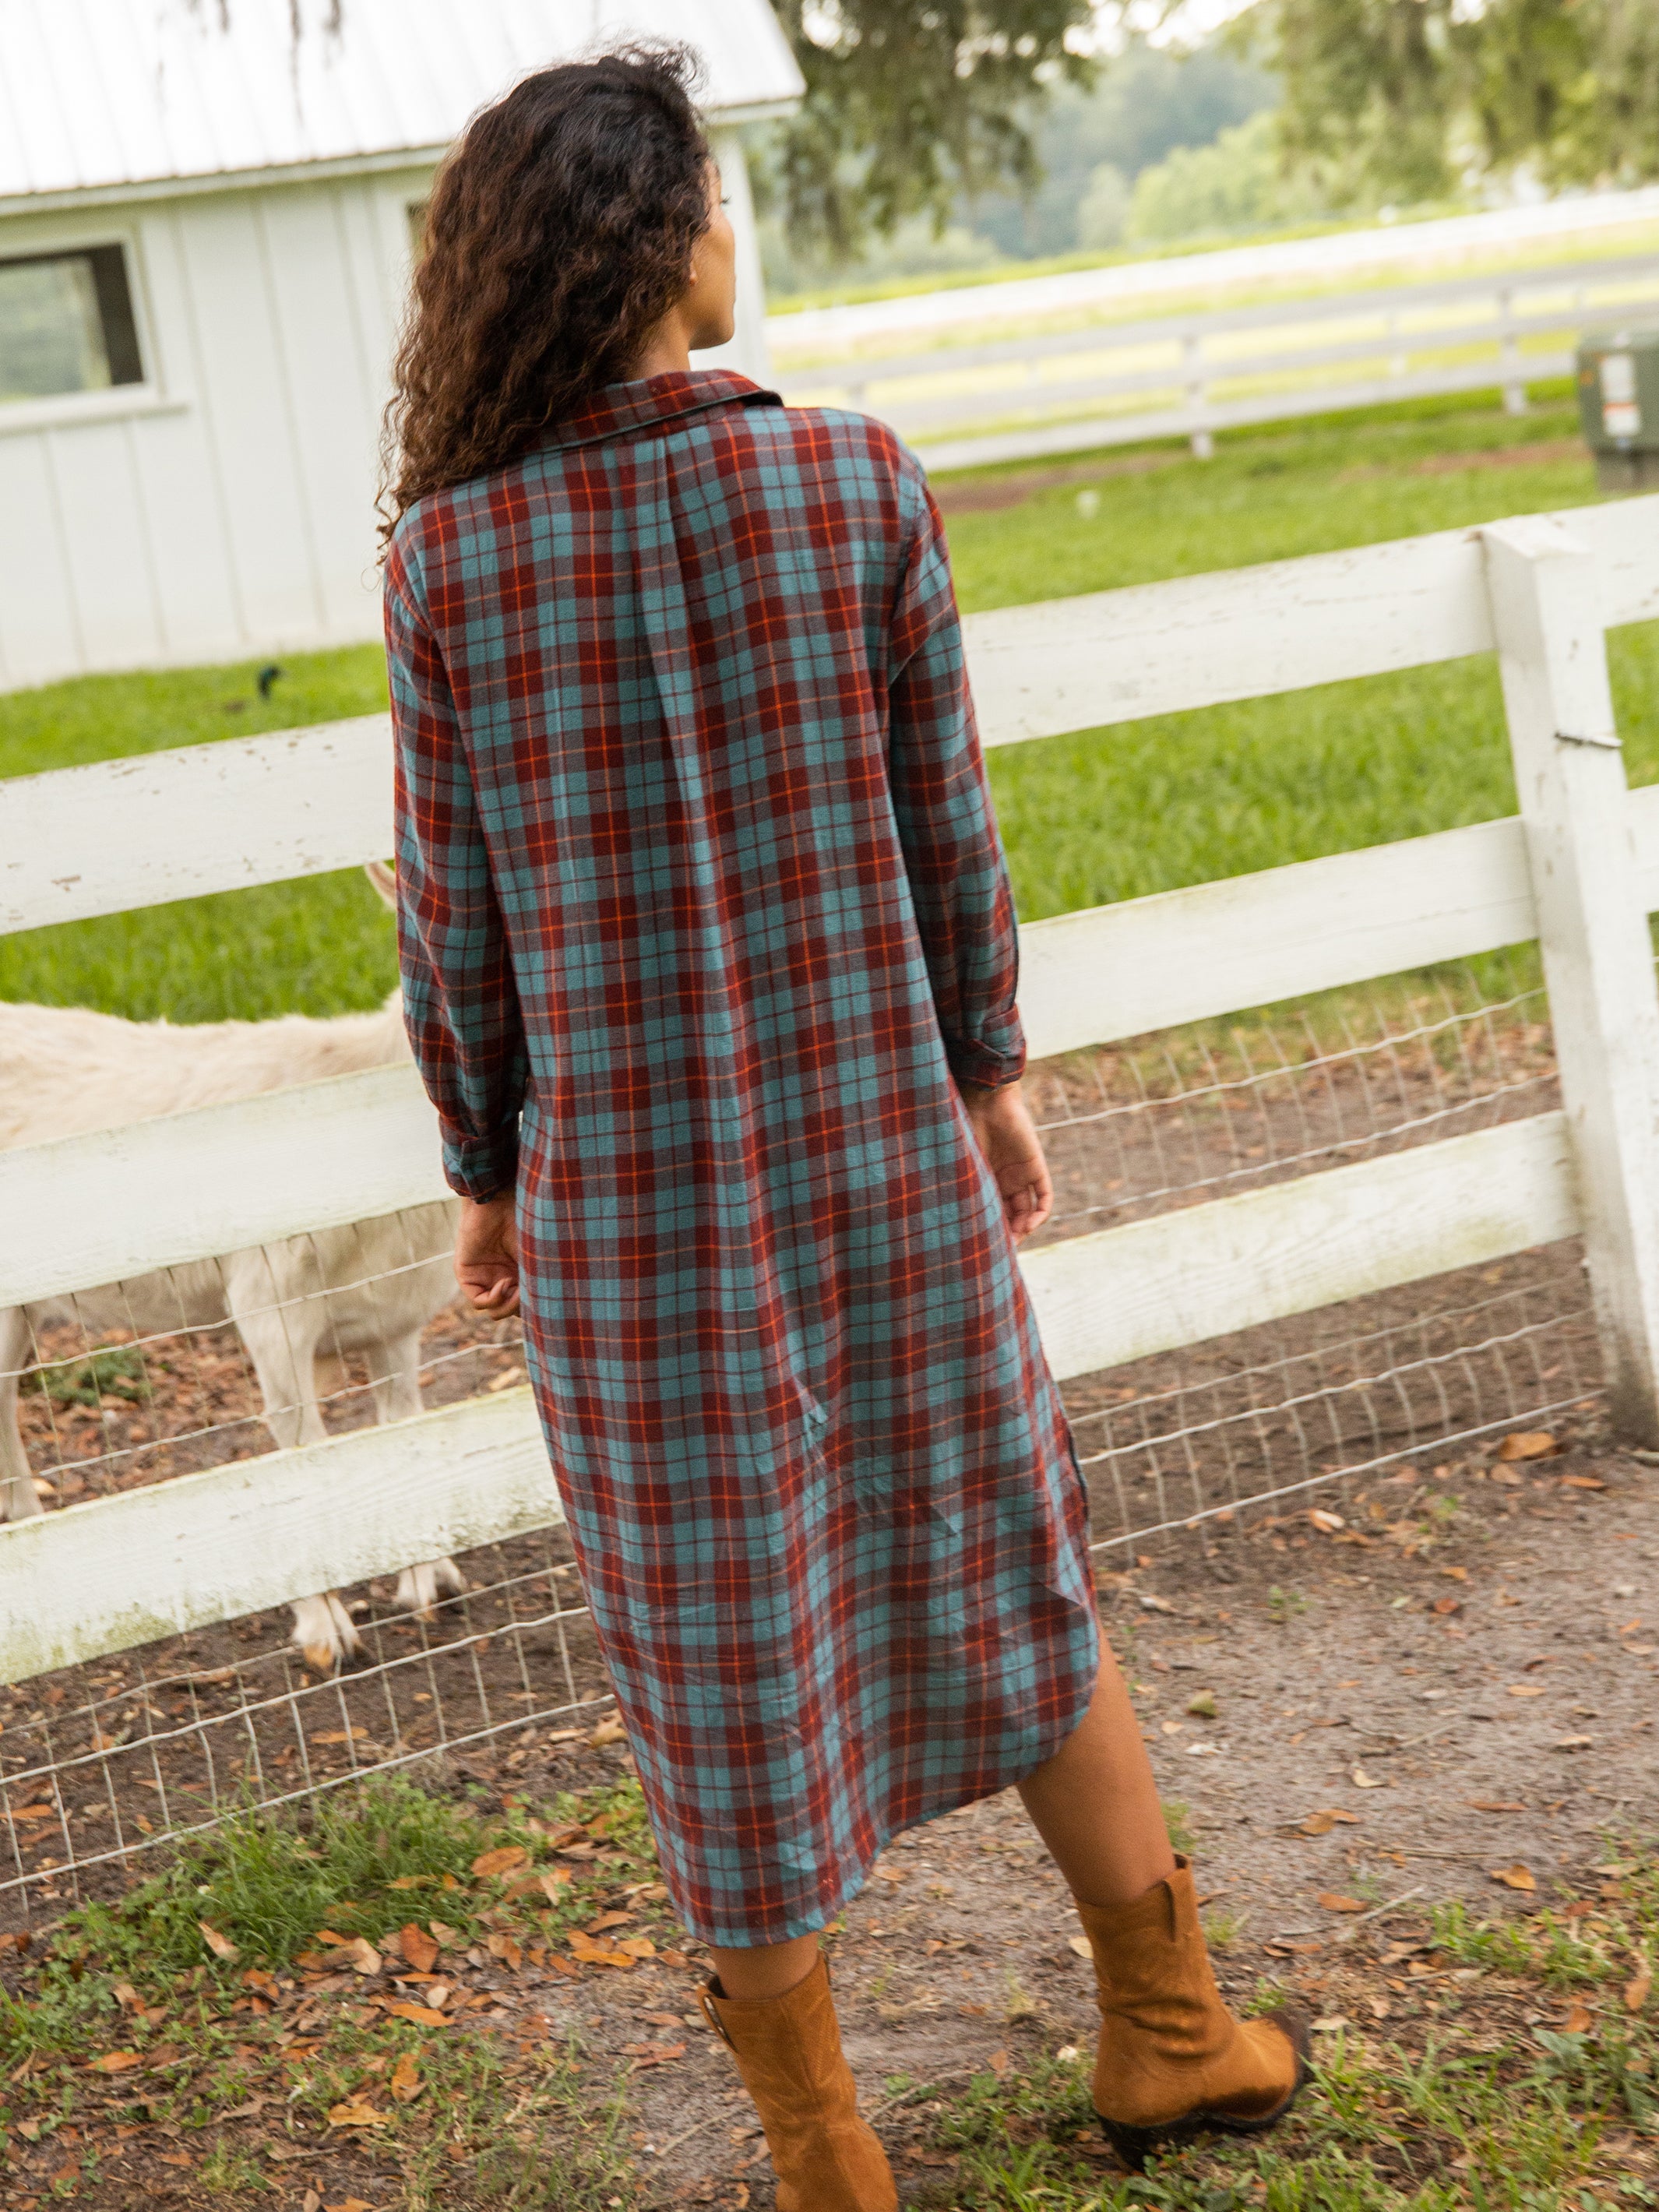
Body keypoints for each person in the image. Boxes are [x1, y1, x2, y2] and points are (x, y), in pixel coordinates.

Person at [382, 44, 1305, 2207]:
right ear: (656, 234)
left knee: (717, 1665)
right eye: (715, 196)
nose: (733, 232)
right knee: (1013, 1564)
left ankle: (825, 2159)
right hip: (881, 1162)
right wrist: (990, 1076)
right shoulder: (857, 485)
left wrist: (485, 1174)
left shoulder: (453, 564)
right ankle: (1166, 2029)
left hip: (631, 1226)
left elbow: (460, 936)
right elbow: (946, 841)